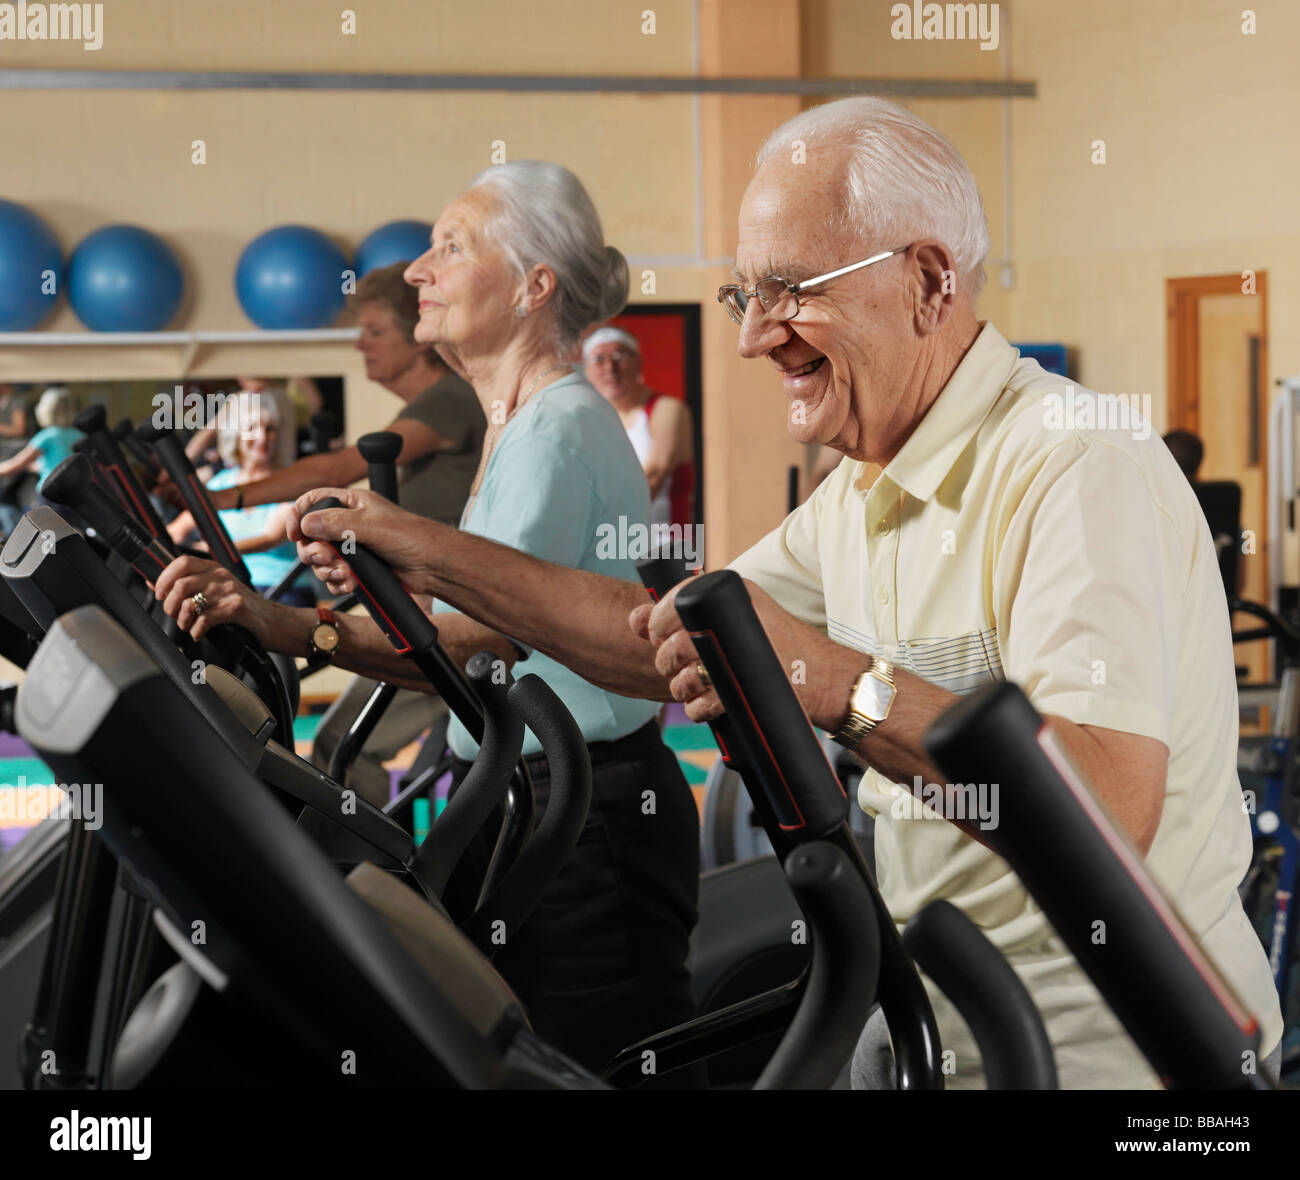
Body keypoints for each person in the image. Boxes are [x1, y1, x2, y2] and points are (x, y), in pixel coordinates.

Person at [209, 96, 1281, 1091]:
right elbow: (650, 636)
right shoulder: (867, 487)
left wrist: (834, 683)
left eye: (790, 290)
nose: (751, 335)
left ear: (927, 279)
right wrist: (420, 552)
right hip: (935, 1026)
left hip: (1112, 1061)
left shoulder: (1073, 465)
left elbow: (1106, 810)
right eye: (744, 293)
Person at [154, 160, 701, 1074]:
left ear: (534, 286)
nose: (417, 270)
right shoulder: (518, 424)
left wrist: (283, 625)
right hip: (537, 801)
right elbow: (469, 620)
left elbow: (475, 647)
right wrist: (363, 582)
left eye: (452, 247)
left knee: (590, 1064)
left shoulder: (559, 426)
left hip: (587, 817)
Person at [164, 391, 313, 606]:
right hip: (230, 586)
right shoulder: (221, 484)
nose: (262, 437)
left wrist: (208, 550)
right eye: (252, 428)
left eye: (269, 429)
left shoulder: (288, 482)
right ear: (237, 435)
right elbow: (180, 528)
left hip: (281, 589)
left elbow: (270, 537)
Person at [583, 325, 696, 547]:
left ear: (638, 362)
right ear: (586, 371)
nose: (610, 368)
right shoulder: (591, 421)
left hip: (665, 550)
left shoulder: (666, 409)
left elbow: (654, 475)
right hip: (613, 549)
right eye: (599, 359)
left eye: (619, 356)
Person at [0, 386, 80, 503]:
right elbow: (62, 463)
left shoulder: (47, 436)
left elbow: (15, 465)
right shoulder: (79, 434)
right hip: (75, 493)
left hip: (51, 493)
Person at [0, 383, 34, 534]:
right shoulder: (6, 401)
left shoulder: (17, 401)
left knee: (7, 499)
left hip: (15, 458)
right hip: (7, 458)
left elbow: (19, 429)